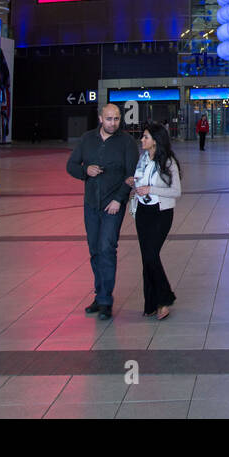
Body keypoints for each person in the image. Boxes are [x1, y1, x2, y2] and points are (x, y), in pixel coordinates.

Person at [65, 103, 138, 320]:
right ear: (100, 119)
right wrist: (85, 171)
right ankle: (100, 294)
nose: (113, 123)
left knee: (107, 248)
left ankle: (106, 299)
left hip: (112, 206)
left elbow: (132, 175)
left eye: (116, 119)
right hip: (91, 204)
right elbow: (71, 165)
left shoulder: (127, 142)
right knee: (95, 249)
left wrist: (119, 200)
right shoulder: (87, 139)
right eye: (109, 119)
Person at [131, 123, 181, 319]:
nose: (142, 140)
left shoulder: (168, 162)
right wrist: (133, 183)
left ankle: (165, 298)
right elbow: (139, 182)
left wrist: (151, 189)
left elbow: (176, 191)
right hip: (143, 212)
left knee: (151, 255)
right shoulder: (143, 159)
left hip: (161, 213)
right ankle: (151, 303)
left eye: (145, 137)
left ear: (155, 141)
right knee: (147, 259)